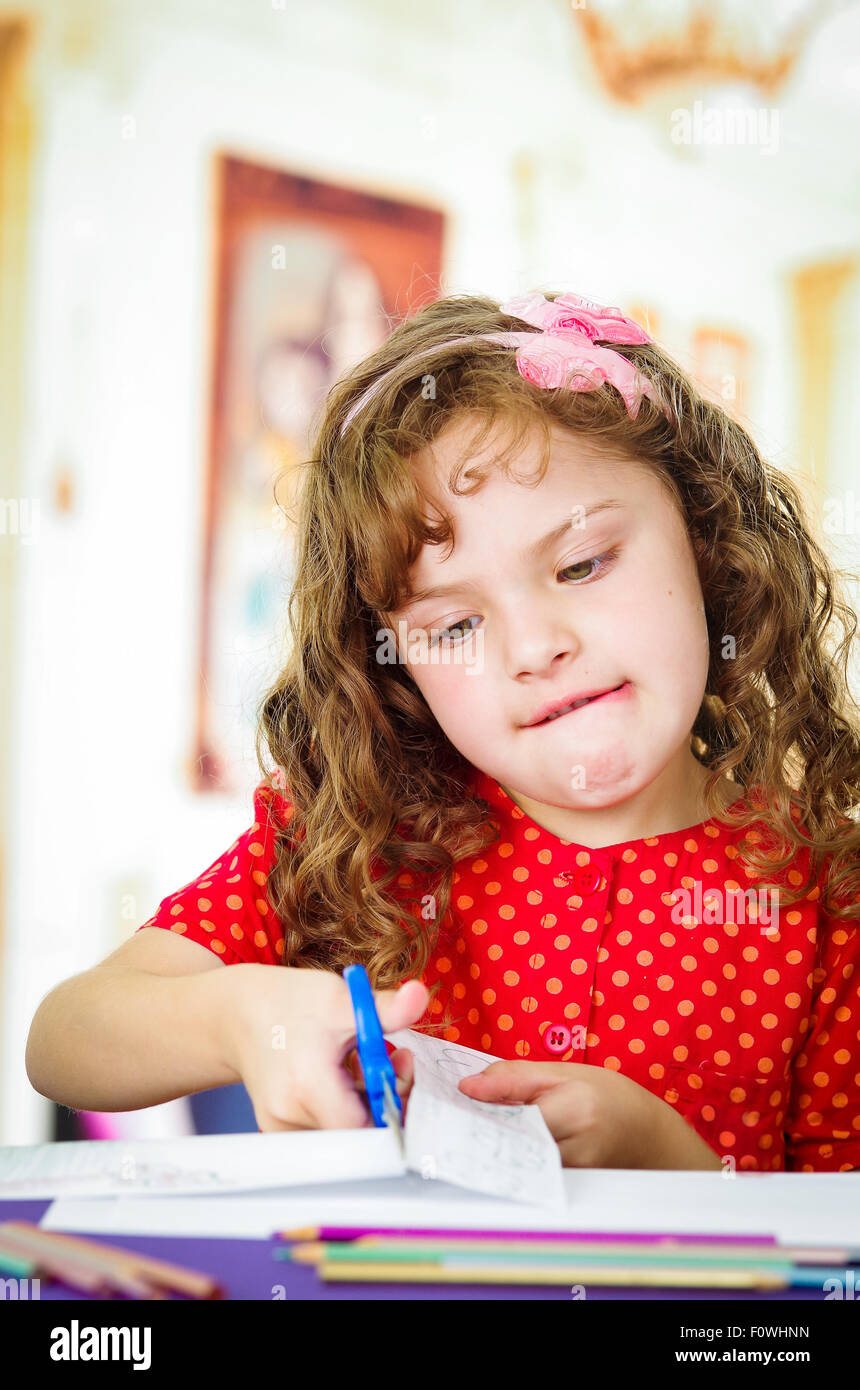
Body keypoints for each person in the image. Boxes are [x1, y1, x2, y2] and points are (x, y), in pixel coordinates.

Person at [26, 289, 860, 1171]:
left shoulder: (827, 891)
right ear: (397, 666)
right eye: (455, 627)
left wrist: (672, 1162)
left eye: (581, 564)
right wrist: (235, 1017)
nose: (536, 648)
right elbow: (63, 1041)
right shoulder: (365, 839)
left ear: (704, 535)